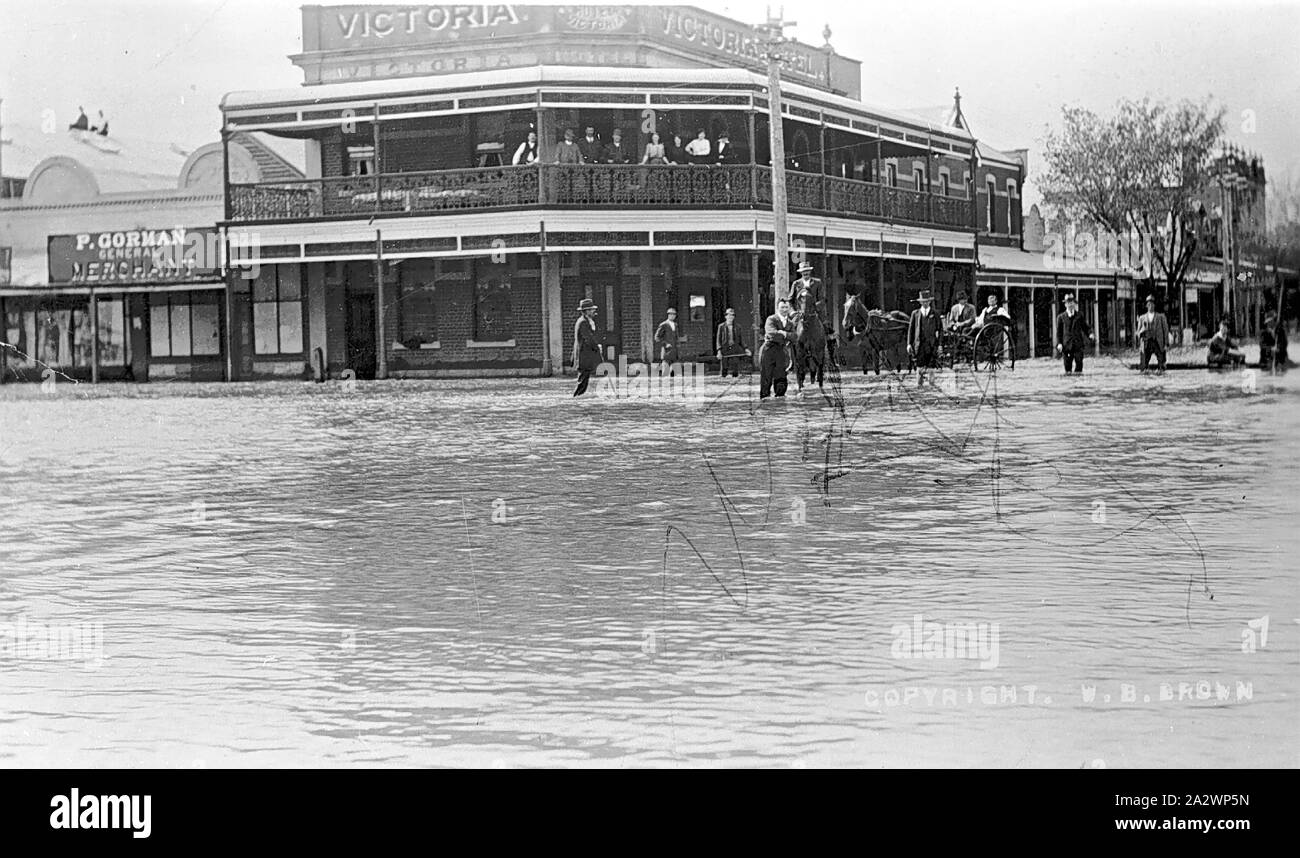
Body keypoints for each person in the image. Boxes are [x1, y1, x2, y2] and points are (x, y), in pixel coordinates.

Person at [759, 298, 795, 398]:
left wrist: (784, 333)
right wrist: (787, 335)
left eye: (786, 307)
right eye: (782, 307)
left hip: (781, 351)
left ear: (789, 308)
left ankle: (780, 401)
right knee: (766, 377)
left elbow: (795, 337)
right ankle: (765, 400)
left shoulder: (790, 323)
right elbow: (771, 333)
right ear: (778, 308)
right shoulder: (771, 319)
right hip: (769, 350)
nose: (784, 309)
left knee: (781, 377)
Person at [907, 290, 942, 381]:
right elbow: (911, 330)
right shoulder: (915, 314)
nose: (925, 303)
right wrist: (909, 344)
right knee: (919, 369)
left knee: (931, 369)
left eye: (927, 301)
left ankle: (932, 387)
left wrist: (940, 345)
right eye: (923, 301)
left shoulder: (935, 314)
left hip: (931, 345)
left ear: (930, 301)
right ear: (920, 302)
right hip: (919, 345)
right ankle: (920, 388)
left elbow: (940, 330)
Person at [572, 298, 602, 396]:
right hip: (583, 356)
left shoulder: (584, 321)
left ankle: (577, 398)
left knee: (583, 380)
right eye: (592, 309)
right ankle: (575, 399)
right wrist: (597, 347)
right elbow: (588, 339)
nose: (594, 311)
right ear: (587, 311)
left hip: (584, 356)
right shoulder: (583, 322)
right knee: (582, 382)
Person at [1055, 293, 1092, 374]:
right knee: (1067, 369)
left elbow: (1085, 327)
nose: (1070, 305)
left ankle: (1078, 383)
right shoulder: (1061, 317)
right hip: (1066, 346)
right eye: (1068, 303)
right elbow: (1059, 333)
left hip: (1078, 345)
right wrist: (1059, 343)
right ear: (1065, 305)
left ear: (1075, 304)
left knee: (1079, 366)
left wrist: (1090, 334)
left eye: (1072, 303)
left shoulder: (1079, 315)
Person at [1136, 295, 1170, 374]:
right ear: (1146, 306)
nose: (1150, 306)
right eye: (1149, 304)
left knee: (1161, 362)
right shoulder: (1142, 318)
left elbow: (1165, 330)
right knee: (1145, 363)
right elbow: (1138, 332)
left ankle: (1161, 370)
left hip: (1158, 342)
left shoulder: (1161, 317)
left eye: (1152, 304)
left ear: (1154, 305)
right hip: (1147, 342)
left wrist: (1166, 343)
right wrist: (1142, 331)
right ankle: (1145, 370)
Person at [715, 307, 749, 377]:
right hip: (725, 349)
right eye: (729, 315)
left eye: (732, 315)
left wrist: (746, 349)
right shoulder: (721, 326)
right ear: (726, 316)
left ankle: (735, 378)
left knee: (735, 366)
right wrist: (719, 351)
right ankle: (723, 379)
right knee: (724, 367)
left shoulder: (738, 326)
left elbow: (741, 339)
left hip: (734, 348)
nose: (731, 317)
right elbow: (718, 340)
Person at [654, 307, 682, 375]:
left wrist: (678, 345)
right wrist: (665, 344)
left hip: (675, 351)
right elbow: (657, 337)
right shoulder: (663, 324)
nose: (672, 316)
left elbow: (676, 337)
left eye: (674, 314)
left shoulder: (675, 325)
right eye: (671, 314)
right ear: (668, 315)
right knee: (665, 372)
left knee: (676, 372)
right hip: (667, 352)